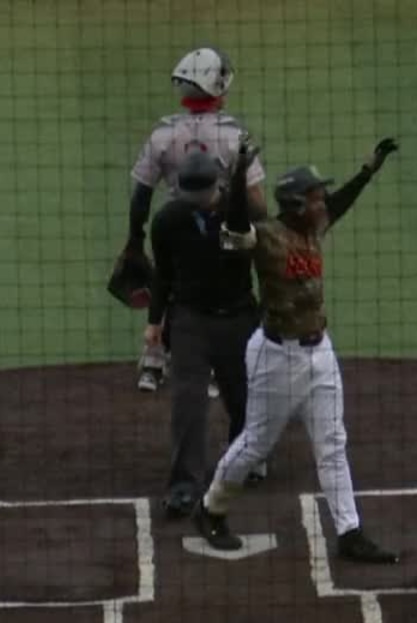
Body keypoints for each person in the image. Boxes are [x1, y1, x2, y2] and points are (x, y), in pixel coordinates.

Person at [191, 136, 401, 564]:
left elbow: (339, 204)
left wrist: (368, 170)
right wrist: (237, 175)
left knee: (332, 442)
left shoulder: (314, 227)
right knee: (255, 445)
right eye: (315, 197)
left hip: (320, 352)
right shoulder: (266, 238)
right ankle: (211, 508)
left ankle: (350, 531)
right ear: (296, 205)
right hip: (276, 357)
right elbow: (233, 231)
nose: (323, 202)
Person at [119, 47, 268, 395]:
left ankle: (153, 364)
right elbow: (257, 202)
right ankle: (219, 368)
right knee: (227, 292)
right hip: (224, 228)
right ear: (215, 90)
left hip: (176, 225)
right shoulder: (235, 136)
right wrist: (260, 228)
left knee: (168, 286)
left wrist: (134, 239)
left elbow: (141, 192)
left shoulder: (163, 134)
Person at [145, 151, 265, 517]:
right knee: (187, 402)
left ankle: (244, 461)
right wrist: (155, 321)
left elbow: (246, 251)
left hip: (238, 318)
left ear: (218, 185)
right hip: (189, 321)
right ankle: (184, 485)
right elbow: (163, 274)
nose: (194, 199)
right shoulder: (167, 221)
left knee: (242, 395)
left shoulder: (238, 215)